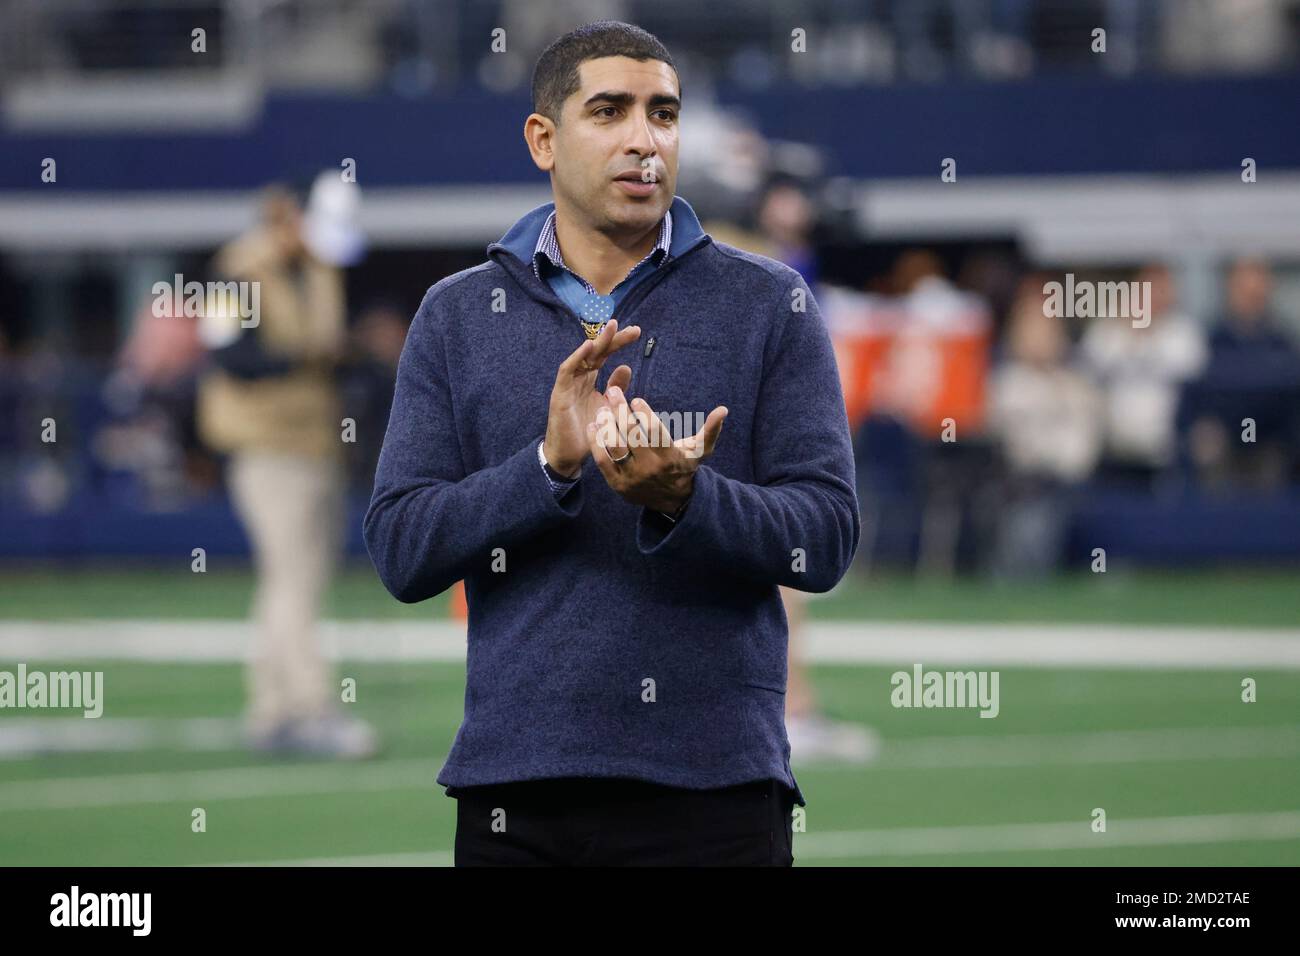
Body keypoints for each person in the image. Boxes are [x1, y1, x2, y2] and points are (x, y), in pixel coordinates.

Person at [364, 21, 860, 866]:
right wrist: (545, 470)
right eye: (610, 111)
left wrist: (686, 497)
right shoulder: (455, 314)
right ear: (543, 139)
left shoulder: (770, 303)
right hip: (515, 792)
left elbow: (826, 536)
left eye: (663, 114)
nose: (644, 139)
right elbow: (402, 551)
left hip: (716, 790)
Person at [198, 173, 377, 759]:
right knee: (293, 580)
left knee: (292, 581)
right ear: (287, 217)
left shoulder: (319, 268)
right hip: (265, 448)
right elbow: (230, 355)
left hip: (315, 444)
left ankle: (271, 711)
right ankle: (307, 709)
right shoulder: (235, 268)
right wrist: (305, 358)